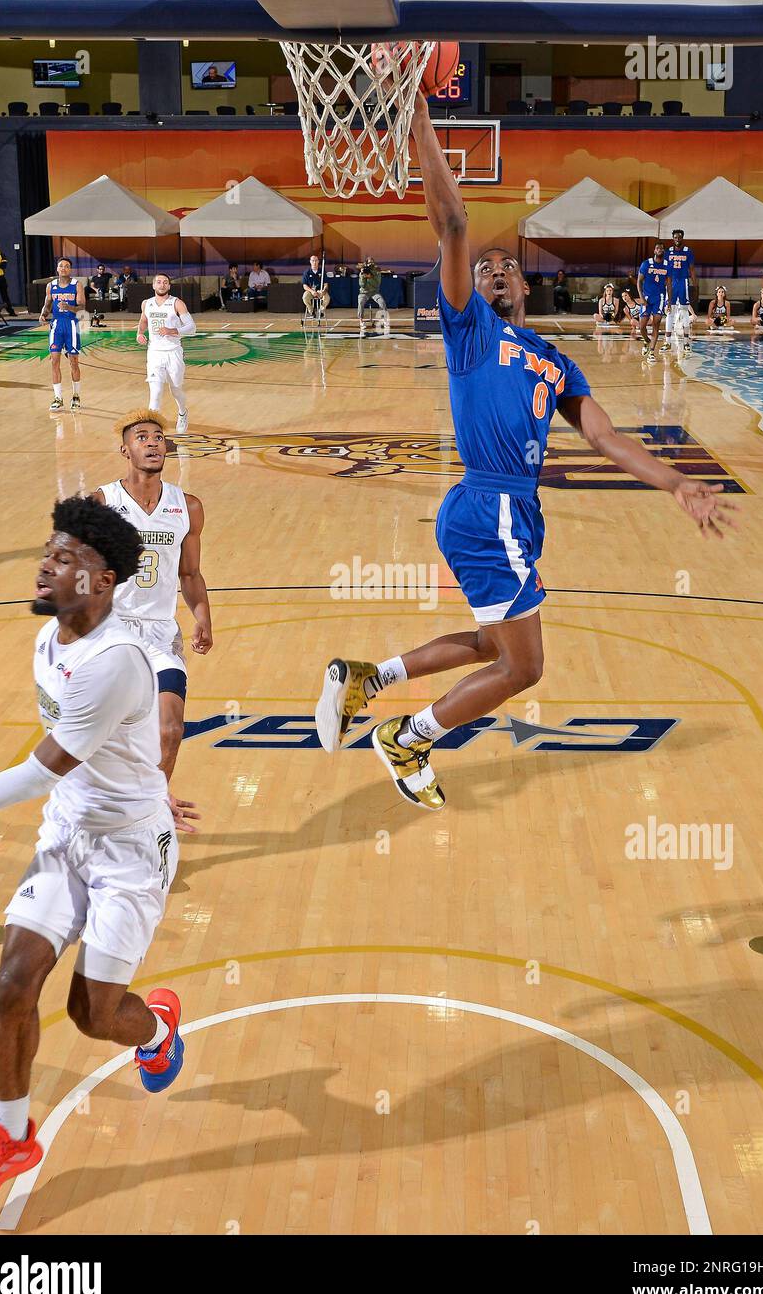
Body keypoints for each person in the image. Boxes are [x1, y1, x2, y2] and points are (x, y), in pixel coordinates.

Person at [313, 89, 737, 809]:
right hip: (488, 505)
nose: (494, 271)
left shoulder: (553, 359)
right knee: (524, 668)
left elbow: (603, 438)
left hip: (508, 511)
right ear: (470, 289)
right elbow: (451, 222)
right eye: (484, 269)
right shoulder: (470, 330)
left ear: (525, 282)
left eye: (506, 265)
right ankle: (409, 735)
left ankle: (367, 679)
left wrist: (676, 484)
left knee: (490, 647)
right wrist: (418, 125)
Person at [0, 496, 191, 1211]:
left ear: (105, 578)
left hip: (130, 853)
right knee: (12, 983)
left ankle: (157, 1030)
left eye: (64, 559)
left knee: (93, 1014)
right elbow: (81, 765)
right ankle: (10, 1136)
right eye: (46, 553)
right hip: (68, 835)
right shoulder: (49, 638)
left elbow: (37, 770)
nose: (44, 567)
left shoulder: (113, 660)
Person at [92, 409, 213, 781]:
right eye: (141, 437)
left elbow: (190, 574)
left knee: (170, 730)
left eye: (158, 437)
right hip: (112, 633)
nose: (152, 443)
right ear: (125, 450)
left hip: (161, 633)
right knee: (102, 736)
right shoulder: (102, 503)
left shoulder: (187, 506)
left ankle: (154, 809)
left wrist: (203, 616)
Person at [137, 273, 196, 434]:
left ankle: (183, 412)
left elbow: (192, 327)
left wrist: (172, 330)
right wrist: (139, 333)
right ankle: (151, 431)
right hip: (155, 352)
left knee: (176, 390)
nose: (162, 285)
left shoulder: (176, 303)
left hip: (174, 352)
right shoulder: (146, 304)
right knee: (155, 393)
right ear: (153, 285)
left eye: (165, 282)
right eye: (158, 282)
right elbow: (143, 321)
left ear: (169, 286)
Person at [39, 258, 85, 411]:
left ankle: (76, 395)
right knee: (54, 361)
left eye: (67, 266)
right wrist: (43, 314)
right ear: (57, 269)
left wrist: (68, 307)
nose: (64, 268)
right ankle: (58, 398)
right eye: (61, 266)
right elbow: (47, 304)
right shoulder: (50, 286)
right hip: (56, 325)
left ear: (70, 269)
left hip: (71, 325)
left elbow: (82, 308)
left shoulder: (76, 285)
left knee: (73, 362)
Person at [661, 229, 696, 353]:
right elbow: (663, 268)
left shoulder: (688, 251)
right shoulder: (667, 252)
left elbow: (691, 269)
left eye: (679, 237)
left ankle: (686, 342)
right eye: (675, 237)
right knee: (669, 311)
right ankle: (667, 342)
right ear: (673, 238)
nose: (677, 239)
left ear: (682, 238)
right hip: (671, 282)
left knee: (685, 311)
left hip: (683, 282)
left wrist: (695, 284)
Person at [637, 243, 669, 362]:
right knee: (642, 326)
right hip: (646, 297)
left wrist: (669, 302)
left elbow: (669, 284)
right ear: (654, 250)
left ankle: (651, 352)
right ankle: (646, 341)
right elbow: (639, 282)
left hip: (659, 298)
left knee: (656, 325)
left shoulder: (667, 265)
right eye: (657, 248)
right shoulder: (646, 264)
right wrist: (641, 297)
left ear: (663, 251)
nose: (660, 250)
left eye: (662, 248)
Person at [357, 256, 390, 336]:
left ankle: (385, 320)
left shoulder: (377, 271)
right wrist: (362, 276)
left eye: (372, 262)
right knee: (360, 302)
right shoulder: (363, 271)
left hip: (375, 292)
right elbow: (362, 285)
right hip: (364, 292)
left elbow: (377, 284)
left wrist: (370, 277)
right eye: (369, 262)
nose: (370, 263)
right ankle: (361, 321)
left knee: (382, 302)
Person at [302, 254, 330, 321]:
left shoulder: (322, 271)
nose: (314, 262)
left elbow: (326, 284)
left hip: (320, 291)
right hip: (311, 291)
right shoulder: (307, 272)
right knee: (305, 297)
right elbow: (304, 285)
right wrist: (312, 291)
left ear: (318, 262)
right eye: (313, 260)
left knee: (327, 298)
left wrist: (323, 290)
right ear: (310, 262)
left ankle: (321, 311)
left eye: (316, 261)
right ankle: (312, 311)